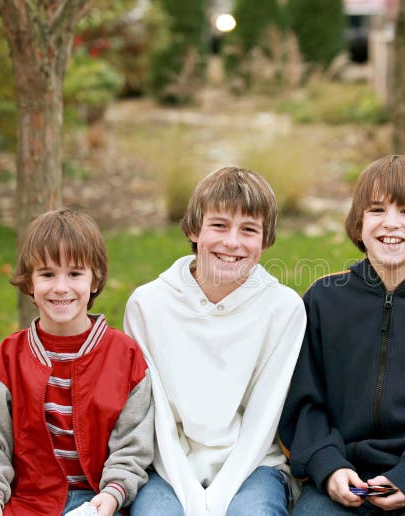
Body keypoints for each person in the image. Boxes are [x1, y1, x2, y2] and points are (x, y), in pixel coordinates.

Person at [278, 154, 405, 515]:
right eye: (377, 210)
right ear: (359, 223)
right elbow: (302, 402)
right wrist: (328, 465)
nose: (391, 223)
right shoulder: (323, 300)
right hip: (341, 475)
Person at [123, 166, 306, 516]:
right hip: (167, 467)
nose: (232, 242)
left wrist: (217, 501)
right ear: (194, 229)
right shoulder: (148, 306)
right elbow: (158, 422)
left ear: (265, 240)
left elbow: (262, 422)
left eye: (248, 229)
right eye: (219, 225)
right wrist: (196, 503)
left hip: (254, 468)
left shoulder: (284, 310)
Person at [0, 208, 154, 516]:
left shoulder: (124, 356)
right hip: (27, 500)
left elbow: (133, 442)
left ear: (95, 280)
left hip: (99, 501)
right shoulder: (8, 358)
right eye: (47, 274)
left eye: (75, 274)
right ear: (29, 283)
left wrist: (114, 492)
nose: (61, 287)